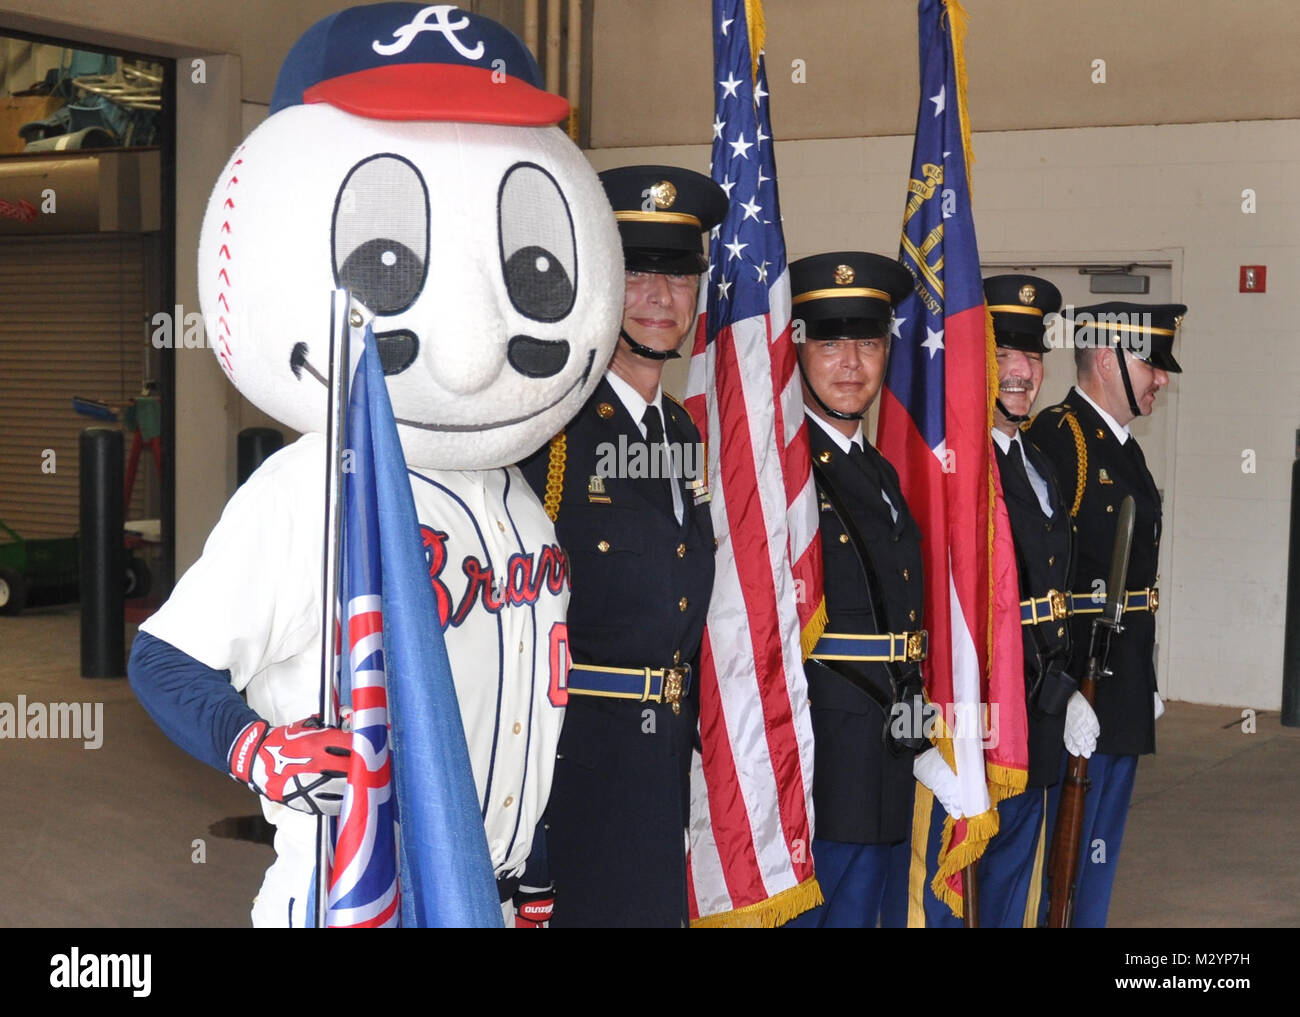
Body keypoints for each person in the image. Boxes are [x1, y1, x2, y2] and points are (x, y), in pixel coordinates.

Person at [518, 164, 726, 927]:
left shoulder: (679, 434)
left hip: (663, 768)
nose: (660, 299)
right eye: (638, 274)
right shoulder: (550, 434)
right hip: (576, 775)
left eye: (678, 278)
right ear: (602, 284)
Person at [780, 251, 948, 928]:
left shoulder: (878, 470)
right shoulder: (782, 474)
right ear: (797, 347)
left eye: (869, 342)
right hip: (822, 767)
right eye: (830, 341)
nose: (851, 362)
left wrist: (928, 728)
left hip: (887, 754)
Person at [1027, 300, 1184, 927]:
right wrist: (1064, 689)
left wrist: (1141, 677)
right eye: (1152, 364)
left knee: (1096, 858)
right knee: (1060, 860)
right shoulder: (1060, 438)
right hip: (1079, 688)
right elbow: (1044, 573)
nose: (1162, 379)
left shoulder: (1121, 447)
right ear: (1104, 356)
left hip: (1118, 684)